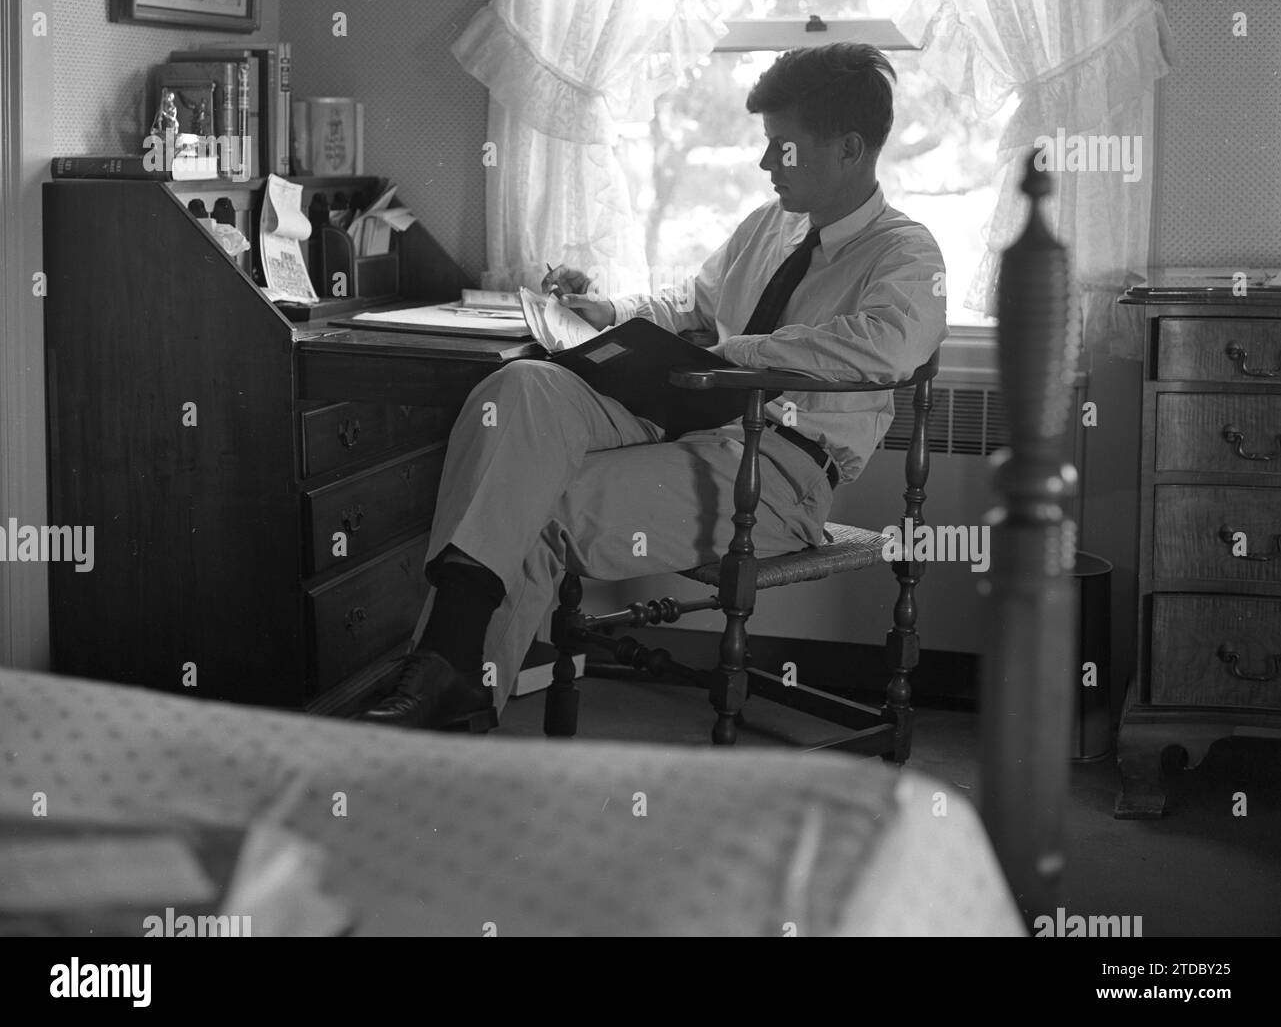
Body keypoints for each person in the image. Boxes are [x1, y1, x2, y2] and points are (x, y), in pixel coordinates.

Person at [358, 43, 947, 731]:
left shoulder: (905, 253)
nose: (764, 165)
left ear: (848, 148)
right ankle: (448, 677)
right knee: (518, 386)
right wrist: (605, 312)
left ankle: (447, 696)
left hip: (777, 472)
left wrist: (735, 354)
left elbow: (884, 347)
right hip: (688, 420)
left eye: (781, 149)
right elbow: (691, 305)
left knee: (535, 504)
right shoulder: (767, 227)